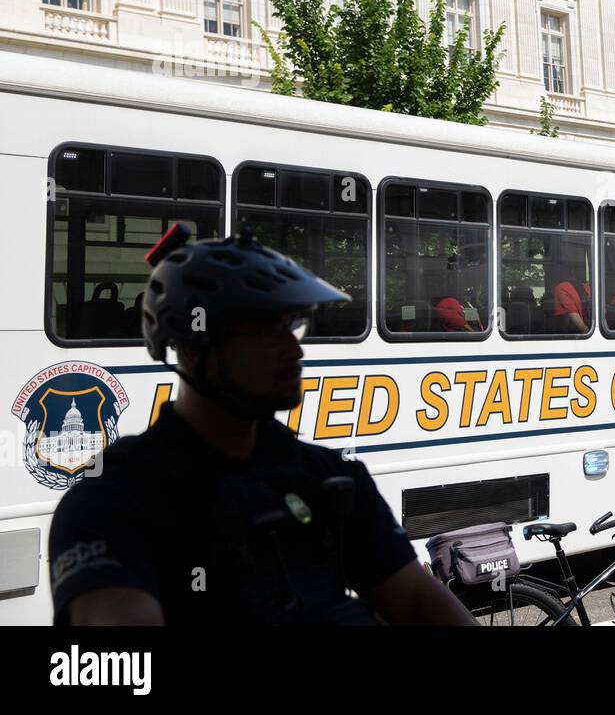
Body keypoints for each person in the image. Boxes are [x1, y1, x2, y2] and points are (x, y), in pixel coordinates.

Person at [48, 225, 476, 626]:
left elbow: (416, 600)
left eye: (293, 326)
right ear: (195, 349)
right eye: (266, 331)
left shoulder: (332, 479)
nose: (295, 350)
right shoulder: (112, 499)